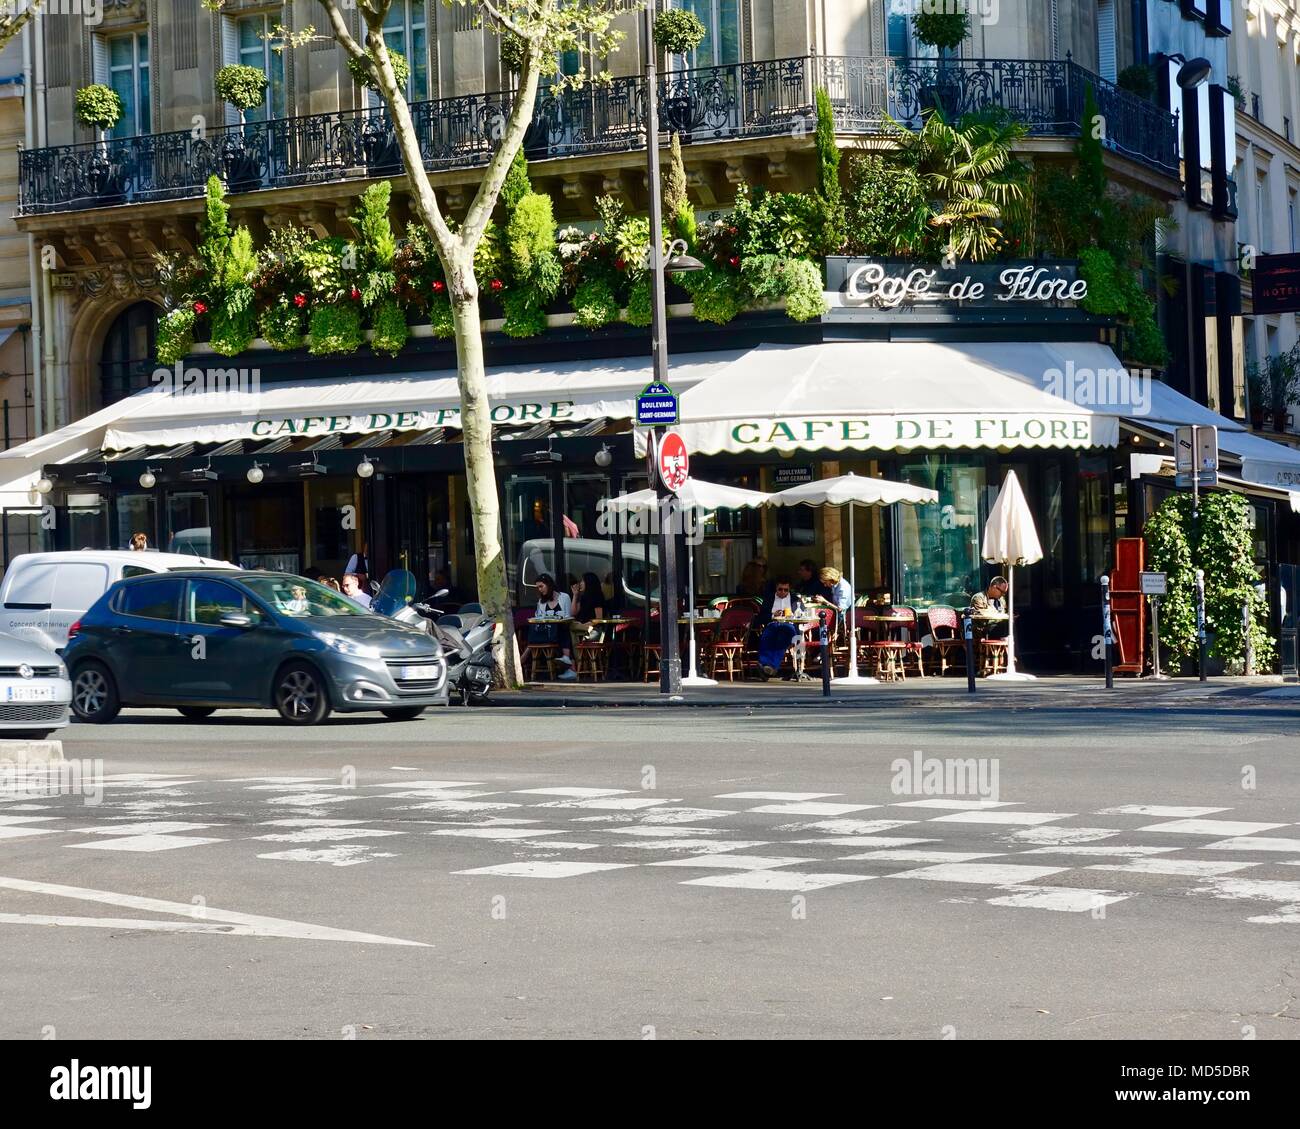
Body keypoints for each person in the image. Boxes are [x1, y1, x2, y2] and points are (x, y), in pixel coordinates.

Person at [754, 577, 807, 680]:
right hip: (773, 624)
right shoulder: (769, 599)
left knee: (782, 638)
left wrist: (792, 615)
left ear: (789, 589)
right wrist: (772, 615)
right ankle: (767, 666)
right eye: (780, 589)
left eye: (786, 590)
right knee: (766, 637)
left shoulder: (795, 599)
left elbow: (802, 615)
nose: (783, 592)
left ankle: (767, 667)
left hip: (789, 625)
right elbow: (760, 617)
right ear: (776, 589)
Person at [529, 573, 576, 681]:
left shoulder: (564, 597)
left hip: (560, 629)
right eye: (537, 587)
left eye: (541, 586)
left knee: (562, 627)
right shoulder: (541, 602)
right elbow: (539, 617)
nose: (539, 589)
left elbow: (568, 616)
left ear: (549, 585)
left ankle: (568, 663)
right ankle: (568, 662)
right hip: (546, 632)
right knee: (560, 629)